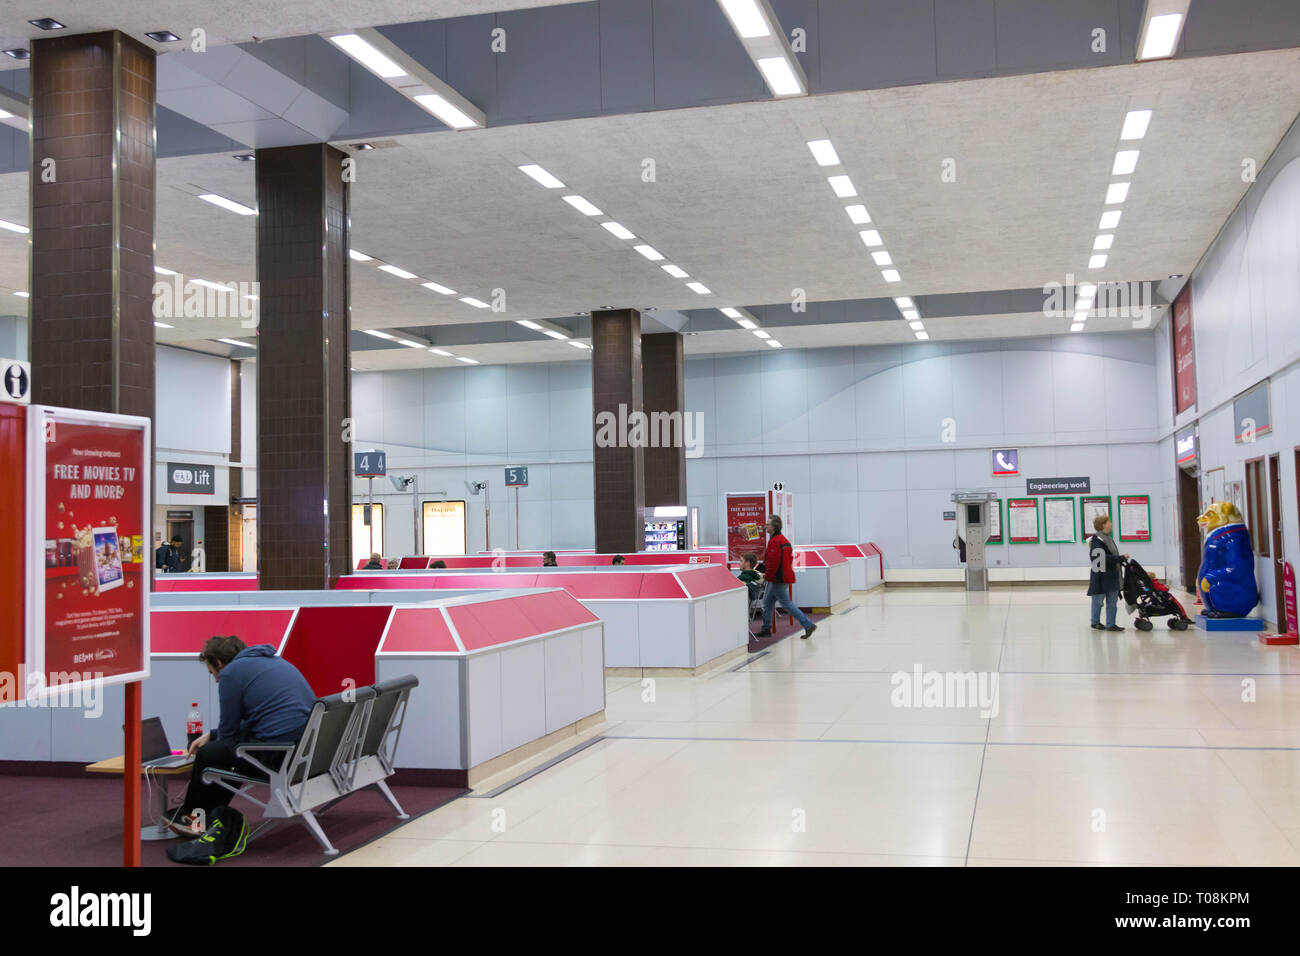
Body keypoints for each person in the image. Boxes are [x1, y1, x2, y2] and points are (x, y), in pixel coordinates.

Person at [164, 635, 316, 834]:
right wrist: (212, 734)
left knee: (211, 754)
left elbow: (229, 733)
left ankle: (194, 817)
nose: (217, 680)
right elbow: (256, 720)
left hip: (280, 756)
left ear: (219, 663)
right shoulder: (275, 661)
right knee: (226, 754)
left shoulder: (231, 673)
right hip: (308, 750)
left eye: (212, 673)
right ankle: (206, 813)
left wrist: (216, 741)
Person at [757, 515, 817, 639]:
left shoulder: (775, 541)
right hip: (781, 577)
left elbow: (773, 563)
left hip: (778, 578)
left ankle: (808, 624)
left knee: (786, 603)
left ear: (774, 527)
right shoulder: (783, 540)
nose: (765, 526)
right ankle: (766, 628)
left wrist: (766, 576)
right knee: (767, 603)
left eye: (768, 524)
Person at [1087, 514, 1127, 631]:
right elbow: (1099, 558)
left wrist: (1119, 559)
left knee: (1112, 602)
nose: (1111, 524)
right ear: (1103, 525)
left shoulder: (1108, 538)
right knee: (1098, 601)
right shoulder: (1097, 540)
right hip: (1101, 576)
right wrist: (1120, 558)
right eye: (1109, 522)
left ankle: (1111, 624)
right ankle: (1095, 622)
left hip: (1112, 576)